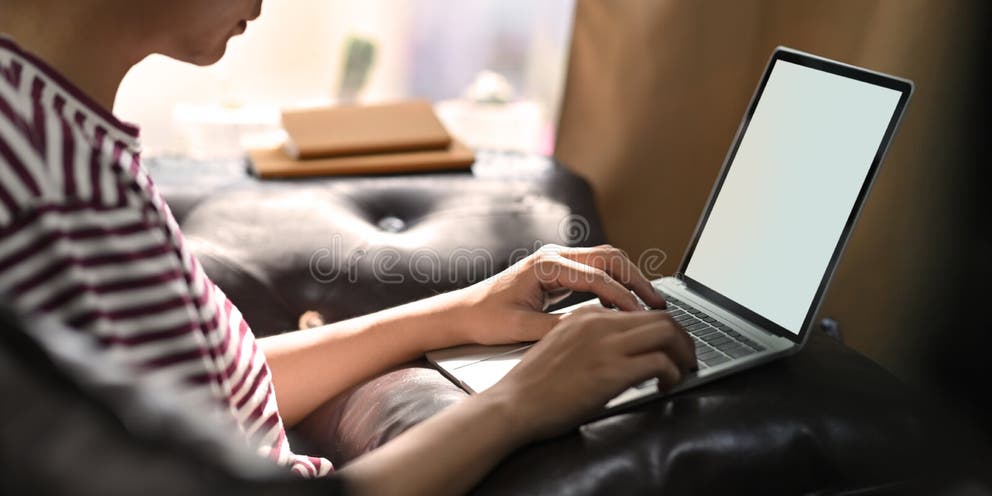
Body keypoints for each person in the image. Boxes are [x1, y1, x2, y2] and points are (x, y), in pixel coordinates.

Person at [0, 1, 695, 494]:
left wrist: (457, 313)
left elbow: (204, 392)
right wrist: (519, 402)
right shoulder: (57, 188)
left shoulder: (49, 127)